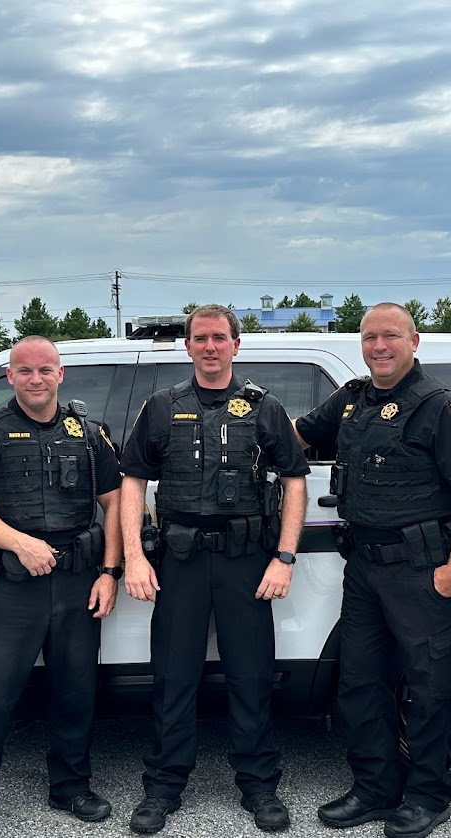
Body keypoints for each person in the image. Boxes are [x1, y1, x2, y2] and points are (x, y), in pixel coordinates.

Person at [294, 302, 451, 838]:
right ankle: (376, 788)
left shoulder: (440, 407)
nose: (378, 347)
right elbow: (298, 434)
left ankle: (428, 795)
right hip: (364, 565)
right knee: (360, 680)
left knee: (433, 685)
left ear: (414, 341)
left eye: (389, 337)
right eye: (368, 338)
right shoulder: (354, 399)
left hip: (423, 566)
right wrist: (245, 416)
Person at [119, 304, 309, 834]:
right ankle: (162, 787)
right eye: (199, 338)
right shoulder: (160, 407)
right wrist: (134, 555)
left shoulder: (264, 408)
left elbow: (295, 480)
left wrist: (284, 557)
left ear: (235, 345)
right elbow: (133, 479)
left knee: (250, 677)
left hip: (246, 560)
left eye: (219, 337)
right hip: (178, 560)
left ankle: (258, 785)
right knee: (173, 676)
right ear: (187, 347)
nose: (209, 346)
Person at [0, 336, 124, 838]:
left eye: (45, 370)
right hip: (10, 586)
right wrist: (20, 543)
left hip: (78, 581)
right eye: (25, 371)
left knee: (76, 692)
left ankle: (71, 788)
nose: (36, 379)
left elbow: (115, 502)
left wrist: (110, 572)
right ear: (10, 377)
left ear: (61, 374)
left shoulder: (89, 433)